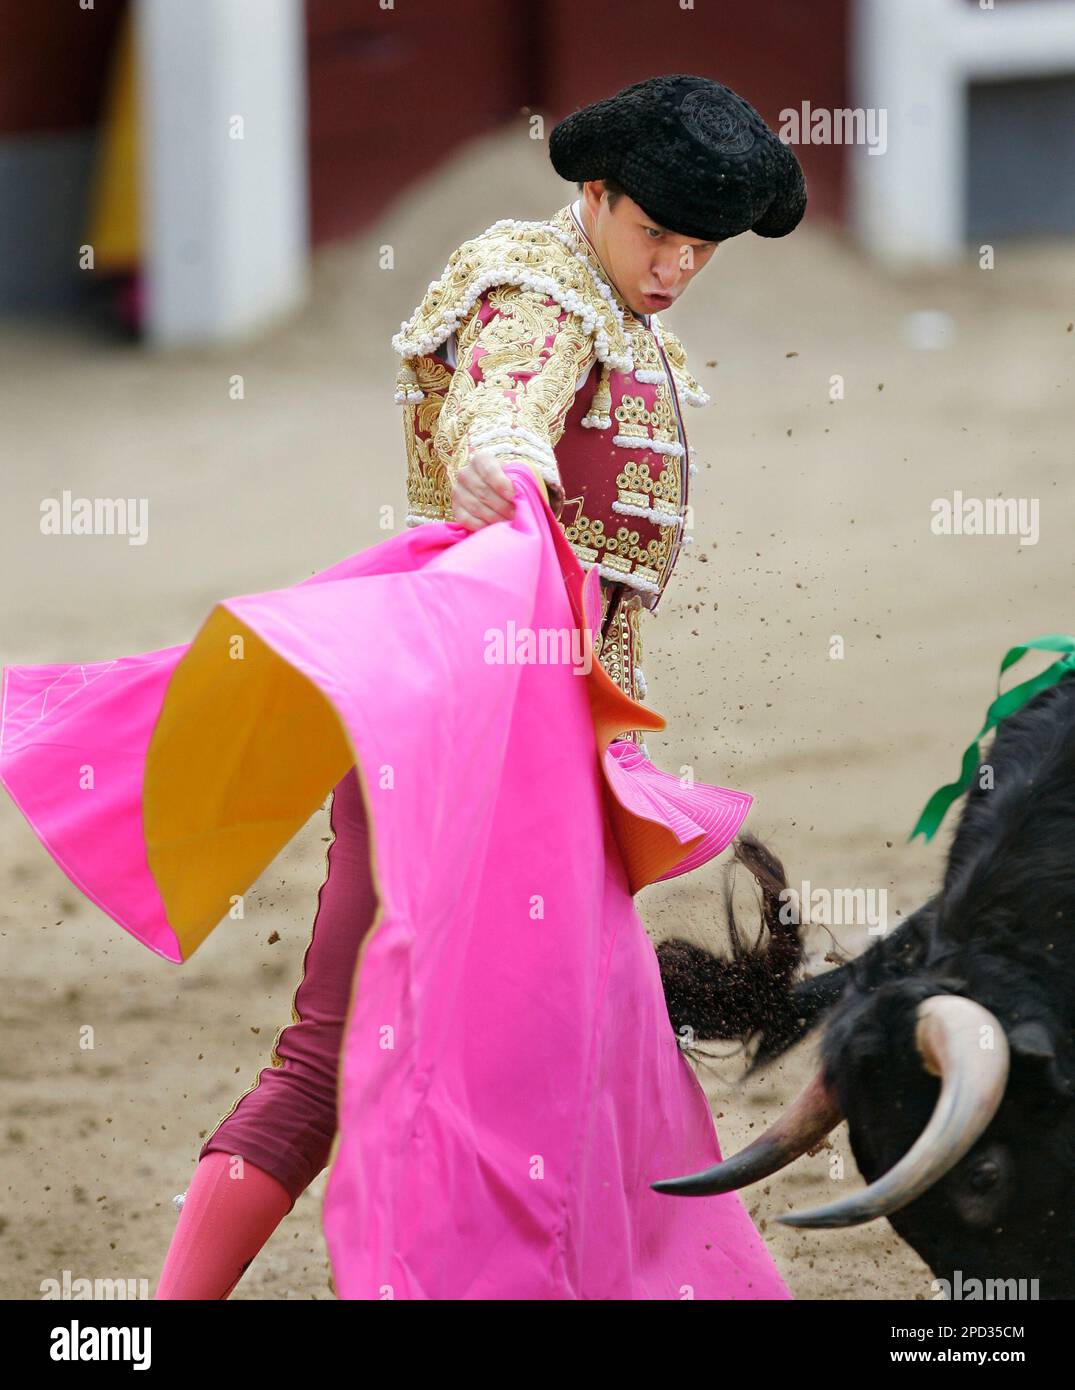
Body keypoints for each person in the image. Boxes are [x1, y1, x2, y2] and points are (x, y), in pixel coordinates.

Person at [149, 73, 806, 1298]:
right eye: (653, 232)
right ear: (595, 196)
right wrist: (500, 461)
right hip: (454, 745)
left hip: (555, 761)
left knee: (577, 1064)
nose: (671, 266)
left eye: (698, 249)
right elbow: (504, 402)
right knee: (333, 1056)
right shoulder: (542, 293)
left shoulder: (622, 314)